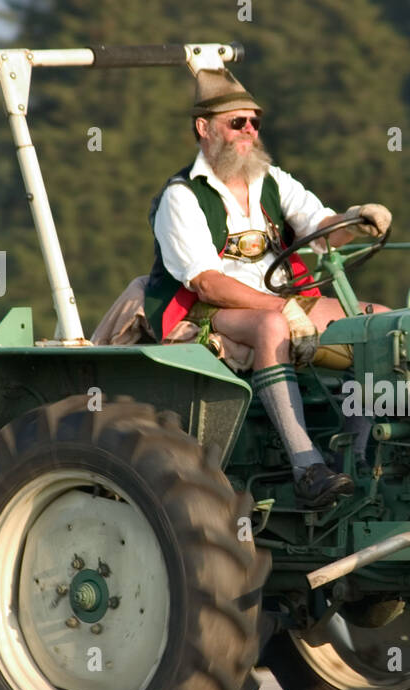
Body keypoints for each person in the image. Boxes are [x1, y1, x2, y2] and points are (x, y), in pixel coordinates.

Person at [143, 67, 391, 509]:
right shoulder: (182, 196)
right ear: (204, 128)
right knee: (272, 329)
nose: (249, 131)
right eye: (237, 122)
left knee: (380, 324)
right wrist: (282, 309)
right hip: (203, 310)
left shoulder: (272, 180)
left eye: (255, 122)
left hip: (276, 300)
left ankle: (353, 452)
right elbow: (208, 283)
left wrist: (358, 219)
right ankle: (307, 468)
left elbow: (323, 229)